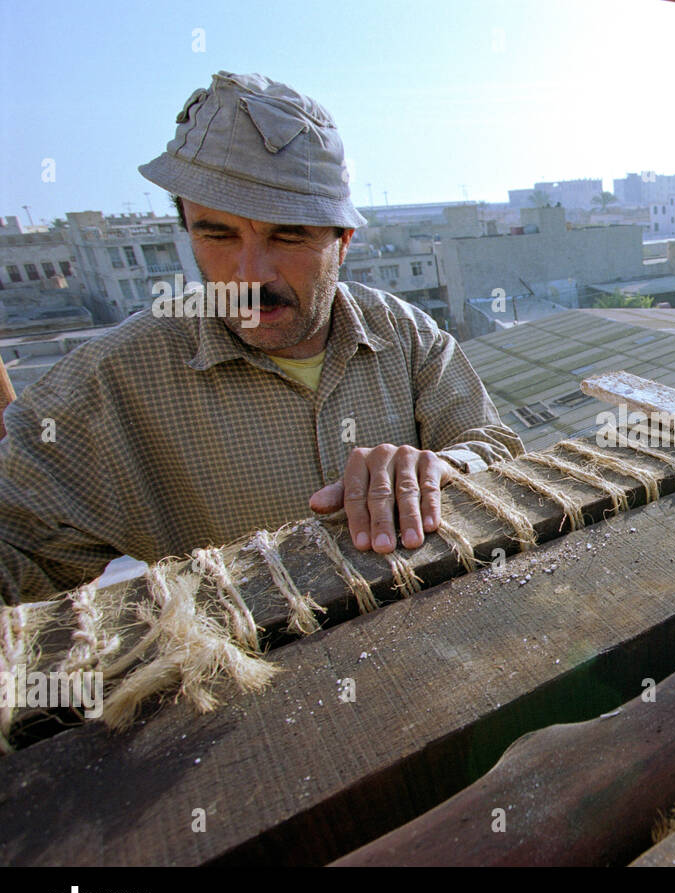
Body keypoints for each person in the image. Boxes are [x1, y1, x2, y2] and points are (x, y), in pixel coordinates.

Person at [0, 72, 523, 604]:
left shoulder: (406, 335)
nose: (250, 273)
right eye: (217, 233)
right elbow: (15, 544)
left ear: (341, 242)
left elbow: (497, 449)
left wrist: (441, 468)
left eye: (288, 234)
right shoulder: (115, 380)